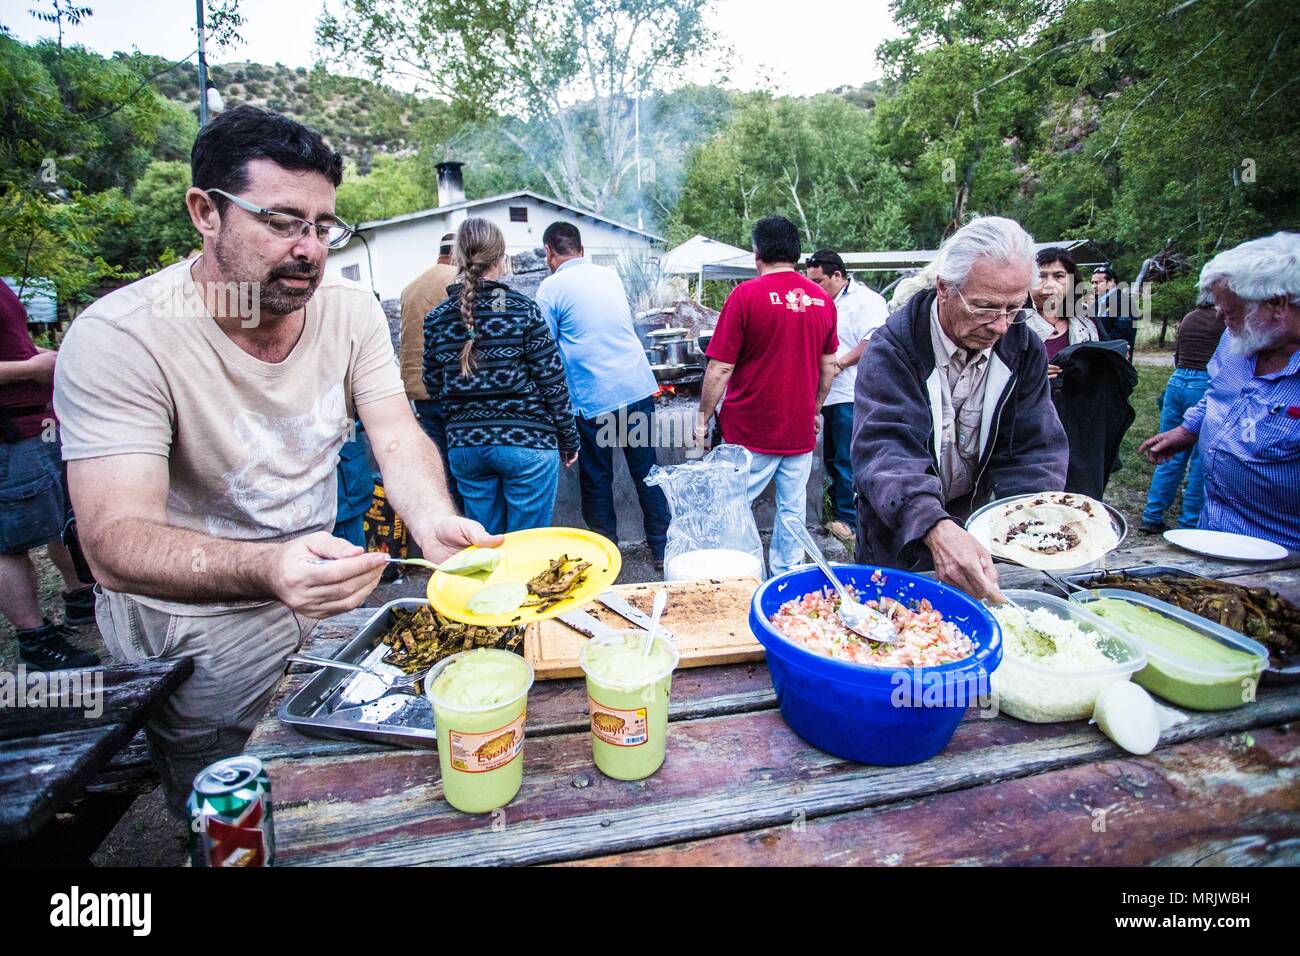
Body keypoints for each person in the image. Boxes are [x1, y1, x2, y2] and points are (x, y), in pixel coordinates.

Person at [53, 106, 496, 817]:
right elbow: (111, 543)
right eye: (282, 221)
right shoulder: (122, 338)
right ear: (205, 211)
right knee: (238, 807)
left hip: (318, 595)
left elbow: (397, 434)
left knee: (331, 785)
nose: (310, 249)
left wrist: (435, 522)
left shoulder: (350, 311)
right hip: (193, 623)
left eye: (323, 226)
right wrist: (266, 567)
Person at [852, 216, 1068, 600]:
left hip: (978, 525)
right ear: (944, 289)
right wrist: (933, 525)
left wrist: (1021, 526)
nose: (1001, 326)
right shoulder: (894, 348)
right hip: (896, 528)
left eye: (1015, 308)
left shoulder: (1022, 348)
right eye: (985, 307)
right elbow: (887, 450)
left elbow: (1034, 449)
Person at [696, 215, 839, 578]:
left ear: (757, 252)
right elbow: (829, 367)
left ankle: (735, 578)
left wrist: (702, 419)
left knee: (733, 508)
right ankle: (786, 578)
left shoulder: (745, 296)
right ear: (796, 252)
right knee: (792, 513)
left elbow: (720, 368)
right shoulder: (823, 300)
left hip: (751, 432)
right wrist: (815, 409)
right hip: (798, 433)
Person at [1140, 232, 1300, 551]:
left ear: (1278, 304)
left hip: (1283, 557)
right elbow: (1218, 392)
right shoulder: (1238, 337)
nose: (1219, 318)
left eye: (1230, 311)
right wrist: (1189, 428)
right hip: (1213, 528)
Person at [424, 217, 579, 534]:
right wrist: (568, 438)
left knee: (486, 546)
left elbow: (432, 385)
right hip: (526, 442)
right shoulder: (521, 308)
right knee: (526, 546)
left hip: (466, 447)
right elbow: (552, 381)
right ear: (501, 257)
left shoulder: (436, 319)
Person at [535, 222, 670, 566]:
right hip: (636, 388)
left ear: (550, 252)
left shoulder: (550, 287)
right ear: (581, 249)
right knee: (646, 471)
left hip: (594, 399)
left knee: (597, 479)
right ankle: (662, 548)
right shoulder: (609, 275)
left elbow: (543, 348)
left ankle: (607, 558)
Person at [0, 281, 99, 669]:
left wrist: (49, 357)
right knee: (9, 542)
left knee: (66, 517)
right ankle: (34, 638)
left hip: (39, 422)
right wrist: (30, 369)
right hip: (8, 431)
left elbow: (14, 345)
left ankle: (81, 596)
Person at [805, 249, 889, 544]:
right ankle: (838, 512)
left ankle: (849, 522)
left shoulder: (866, 301)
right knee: (830, 458)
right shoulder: (818, 301)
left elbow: (875, 338)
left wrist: (840, 363)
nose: (813, 287)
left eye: (819, 281)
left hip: (850, 391)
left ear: (838, 275)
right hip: (824, 391)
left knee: (845, 458)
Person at [1138, 293, 1225, 533]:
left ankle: (1152, 514)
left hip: (1177, 381)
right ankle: (1189, 522)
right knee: (1200, 460)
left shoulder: (1189, 318)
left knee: (1168, 451)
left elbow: (1177, 354)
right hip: (1204, 383)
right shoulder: (1224, 320)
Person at [400, 232, 459, 507]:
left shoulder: (410, 288)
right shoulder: (458, 281)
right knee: (464, 468)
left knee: (440, 463)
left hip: (418, 391)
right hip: (451, 388)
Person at [1027, 247, 1105, 379]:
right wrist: (1029, 375)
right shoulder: (1013, 322)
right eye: (1041, 276)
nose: (1050, 285)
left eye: (1058, 276)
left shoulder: (1086, 320)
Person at [1092, 264, 1136, 355]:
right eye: (1092, 283)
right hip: (1098, 354)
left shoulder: (1124, 301)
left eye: (1098, 282)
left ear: (1111, 282)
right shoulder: (1096, 303)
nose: (1093, 286)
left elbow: (1122, 332)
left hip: (1116, 355)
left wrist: (1099, 346)